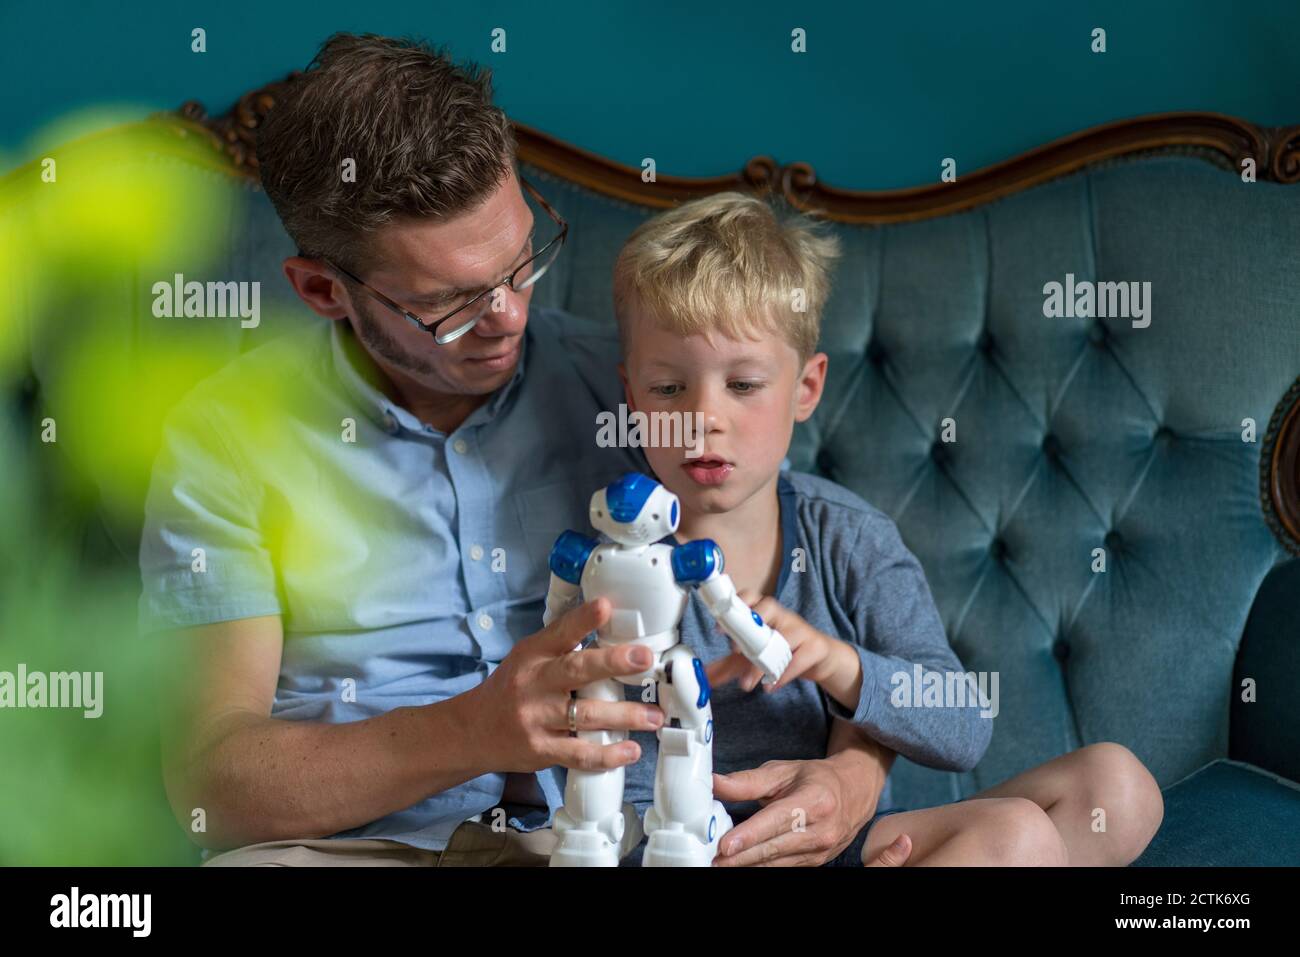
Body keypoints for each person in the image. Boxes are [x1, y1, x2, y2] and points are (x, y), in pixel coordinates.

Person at [138, 32, 902, 867]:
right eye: (451, 304)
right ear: (325, 291)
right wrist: (470, 730)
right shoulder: (226, 439)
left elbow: (817, 595)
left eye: (522, 260)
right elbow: (212, 783)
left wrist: (857, 769)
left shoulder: (646, 393)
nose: (508, 314)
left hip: (615, 835)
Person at [607, 191, 1165, 865]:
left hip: (845, 840)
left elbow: (962, 722)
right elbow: (613, 782)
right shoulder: (620, 565)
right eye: (669, 389)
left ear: (805, 389)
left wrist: (843, 665)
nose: (704, 417)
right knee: (1018, 838)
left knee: (1118, 786)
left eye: (745, 384)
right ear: (633, 397)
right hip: (699, 851)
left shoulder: (849, 537)